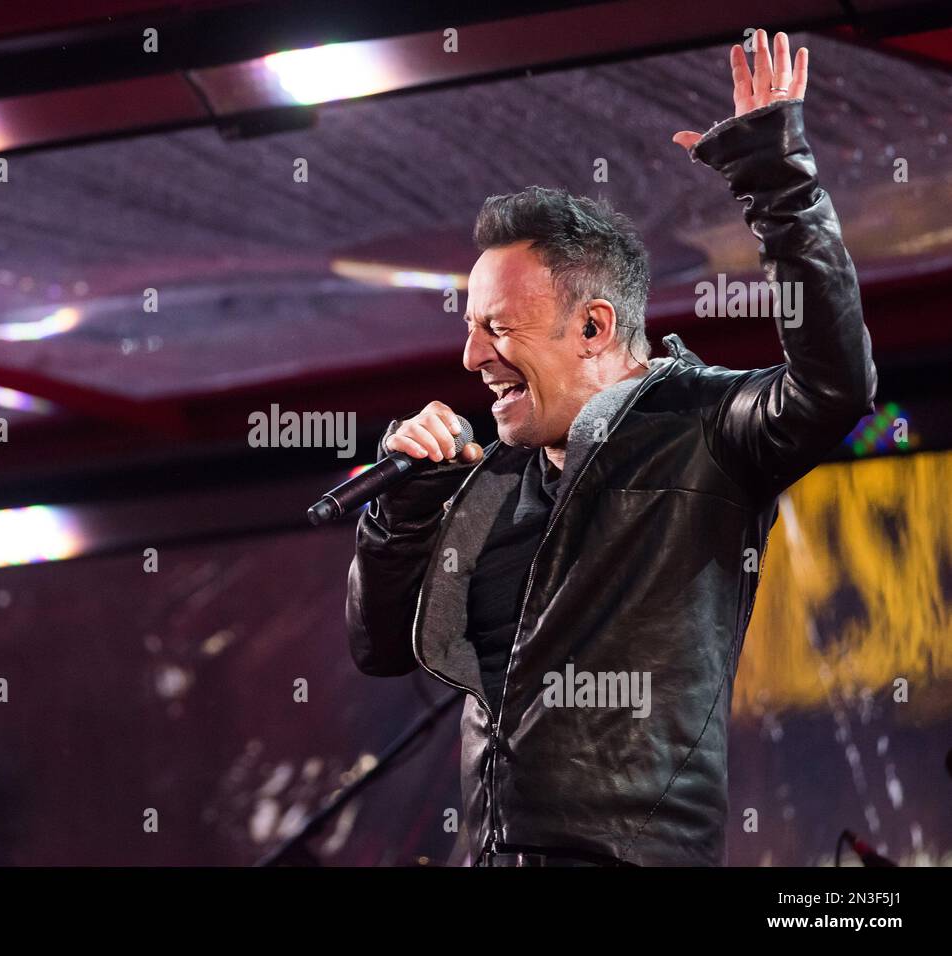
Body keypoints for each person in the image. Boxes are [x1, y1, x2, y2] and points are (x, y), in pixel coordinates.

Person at [345, 30, 876, 866]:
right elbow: (379, 648)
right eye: (467, 329)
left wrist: (779, 179)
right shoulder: (490, 481)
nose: (471, 357)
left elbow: (836, 385)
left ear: (594, 326)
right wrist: (401, 516)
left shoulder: (704, 428)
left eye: (497, 328)